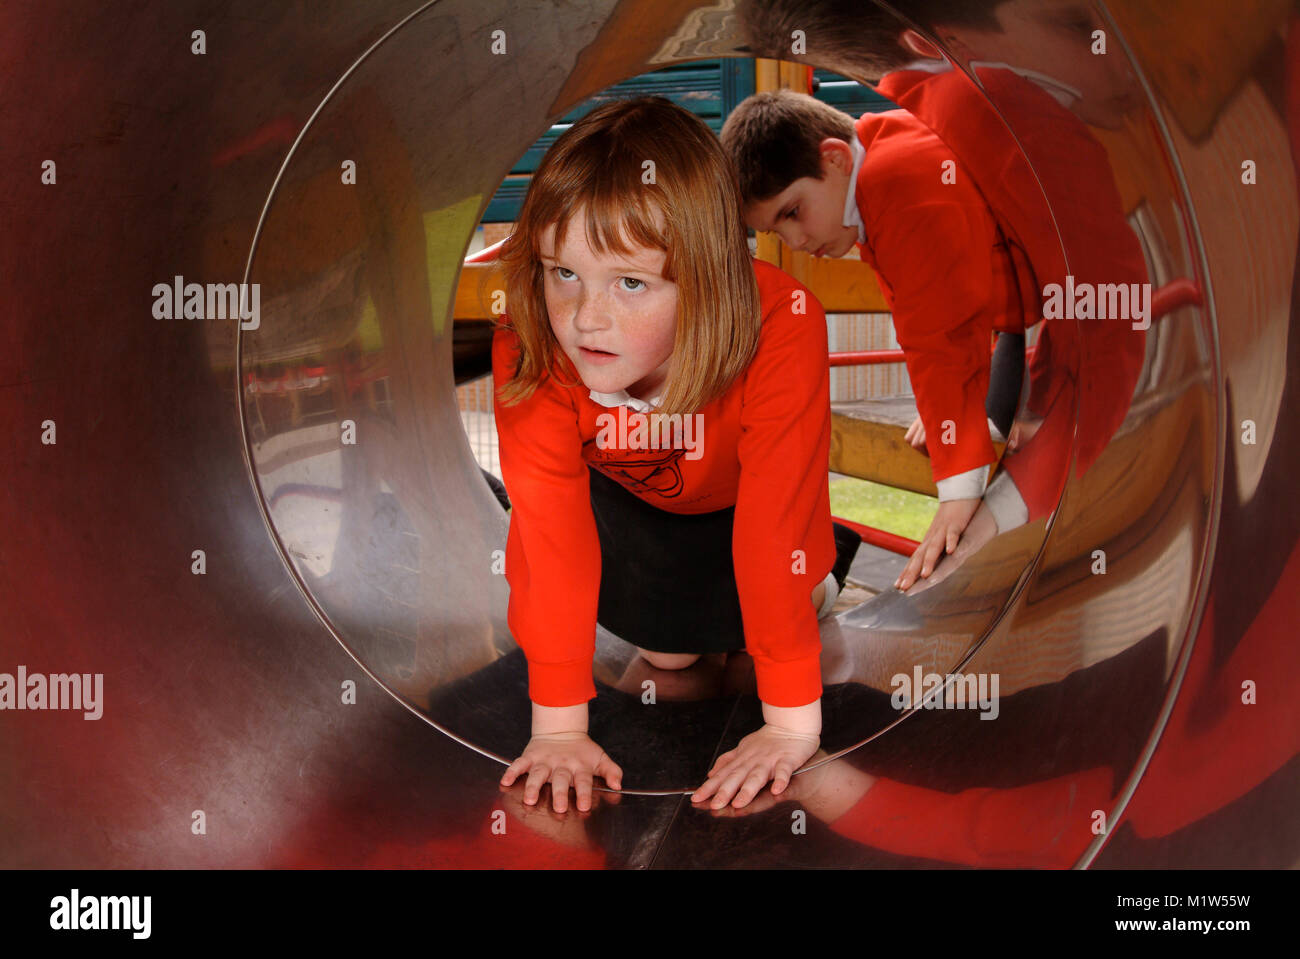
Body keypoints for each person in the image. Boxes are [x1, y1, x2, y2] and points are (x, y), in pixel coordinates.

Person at [490, 96, 861, 814]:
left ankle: (813, 589)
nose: (585, 318)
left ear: (705, 281)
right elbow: (548, 532)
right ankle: (706, 624)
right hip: (639, 513)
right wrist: (559, 726)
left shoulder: (777, 326)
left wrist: (791, 726)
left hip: (747, 509)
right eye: (562, 272)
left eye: (631, 282)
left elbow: (776, 519)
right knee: (668, 659)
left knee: (769, 634)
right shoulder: (533, 338)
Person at [721, 90, 1032, 591]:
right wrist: (947, 420)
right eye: (777, 232)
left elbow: (941, 332)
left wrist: (957, 491)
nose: (796, 241)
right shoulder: (875, 178)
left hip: (1088, 293)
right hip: (1025, 309)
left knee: (1034, 484)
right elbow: (929, 318)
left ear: (835, 158)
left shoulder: (898, 180)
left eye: (793, 212)